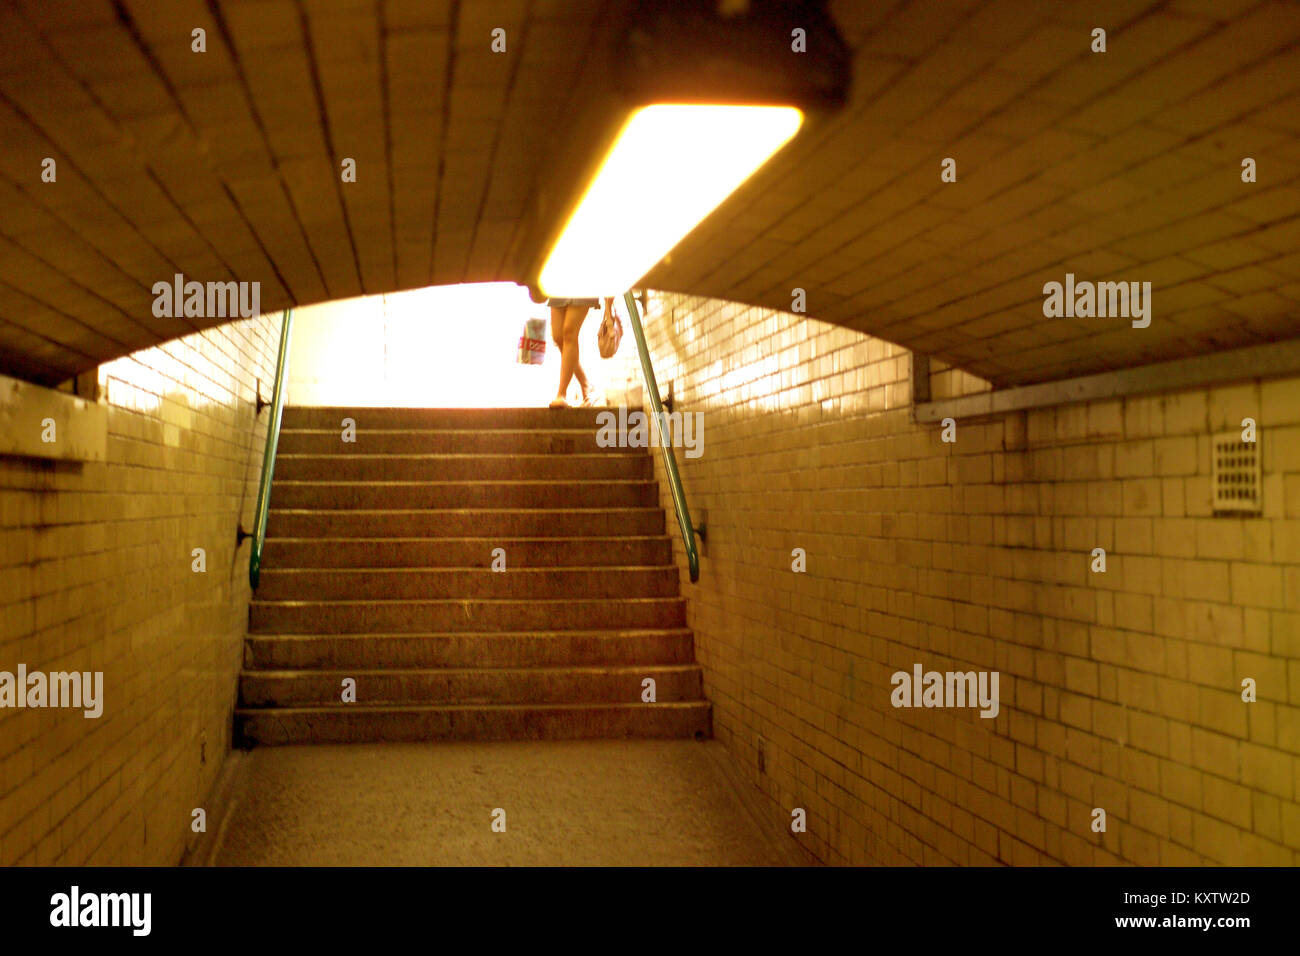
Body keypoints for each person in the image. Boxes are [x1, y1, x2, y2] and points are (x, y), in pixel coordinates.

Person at [546, 296, 613, 408]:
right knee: (558, 337)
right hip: (558, 285)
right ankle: (586, 384)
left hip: (584, 285)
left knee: (569, 332)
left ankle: (561, 394)